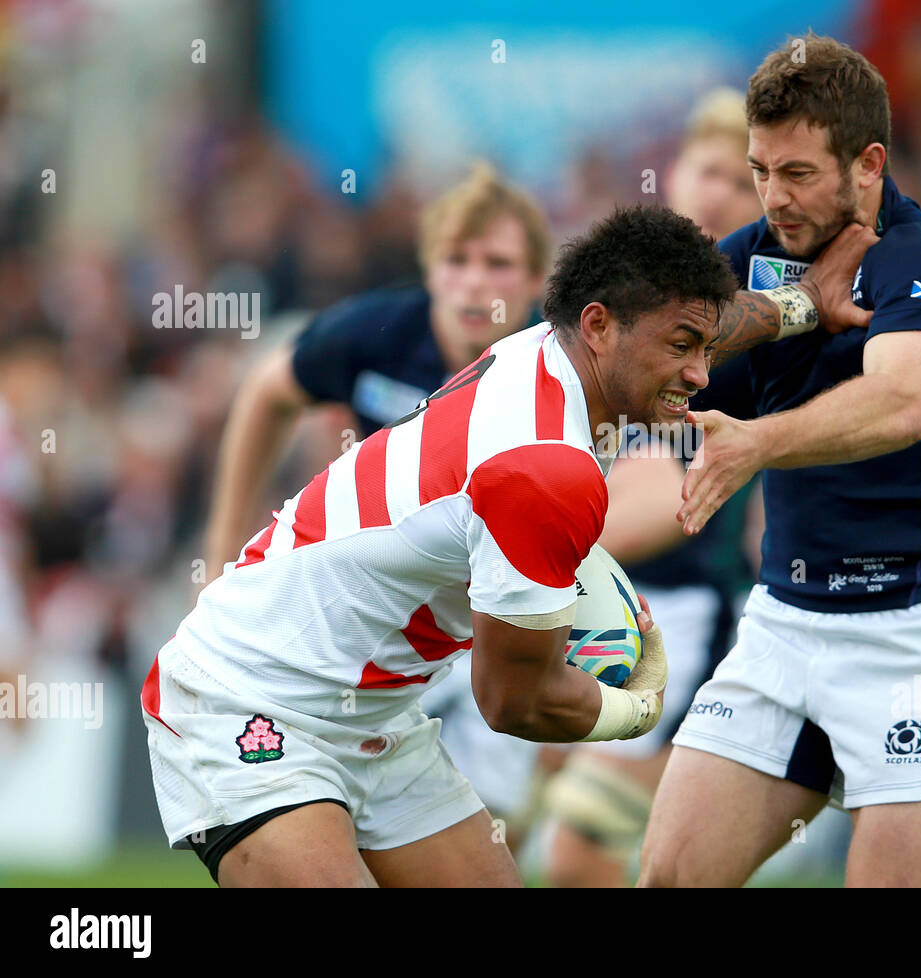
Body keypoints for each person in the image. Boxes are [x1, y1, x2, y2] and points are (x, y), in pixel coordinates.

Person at [141, 205, 750, 887]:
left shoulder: (546, 349)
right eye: (682, 344)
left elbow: (710, 322)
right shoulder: (546, 465)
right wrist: (637, 706)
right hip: (248, 692)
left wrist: (805, 302)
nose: (699, 373)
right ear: (600, 325)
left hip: (373, 715)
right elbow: (512, 701)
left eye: (706, 347)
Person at [637, 32, 921, 888]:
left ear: (867, 164)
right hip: (783, 625)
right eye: (761, 170)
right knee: (666, 880)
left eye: (797, 173)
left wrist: (755, 443)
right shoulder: (748, 256)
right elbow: (644, 373)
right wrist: (795, 306)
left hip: (915, 633)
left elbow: (900, 405)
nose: (773, 196)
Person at [200, 163, 555, 838]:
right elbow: (266, 392)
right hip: (374, 623)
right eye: (457, 260)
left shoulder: (556, 365)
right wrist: (220, 547)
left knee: (482, 835)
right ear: (429, 269)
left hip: (494, 625)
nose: (475, 281)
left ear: (537, 281)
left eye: (500, 264)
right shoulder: (375, 334)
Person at [542, 88, 765, 887]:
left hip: (669, 609)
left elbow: (666, 491)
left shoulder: (734, 338)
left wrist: (524, 554)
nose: (718, 195)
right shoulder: (615, 312)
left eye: (743, 185)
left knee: (584, 849)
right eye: (707, 171)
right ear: (671, 179)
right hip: (578, 595)